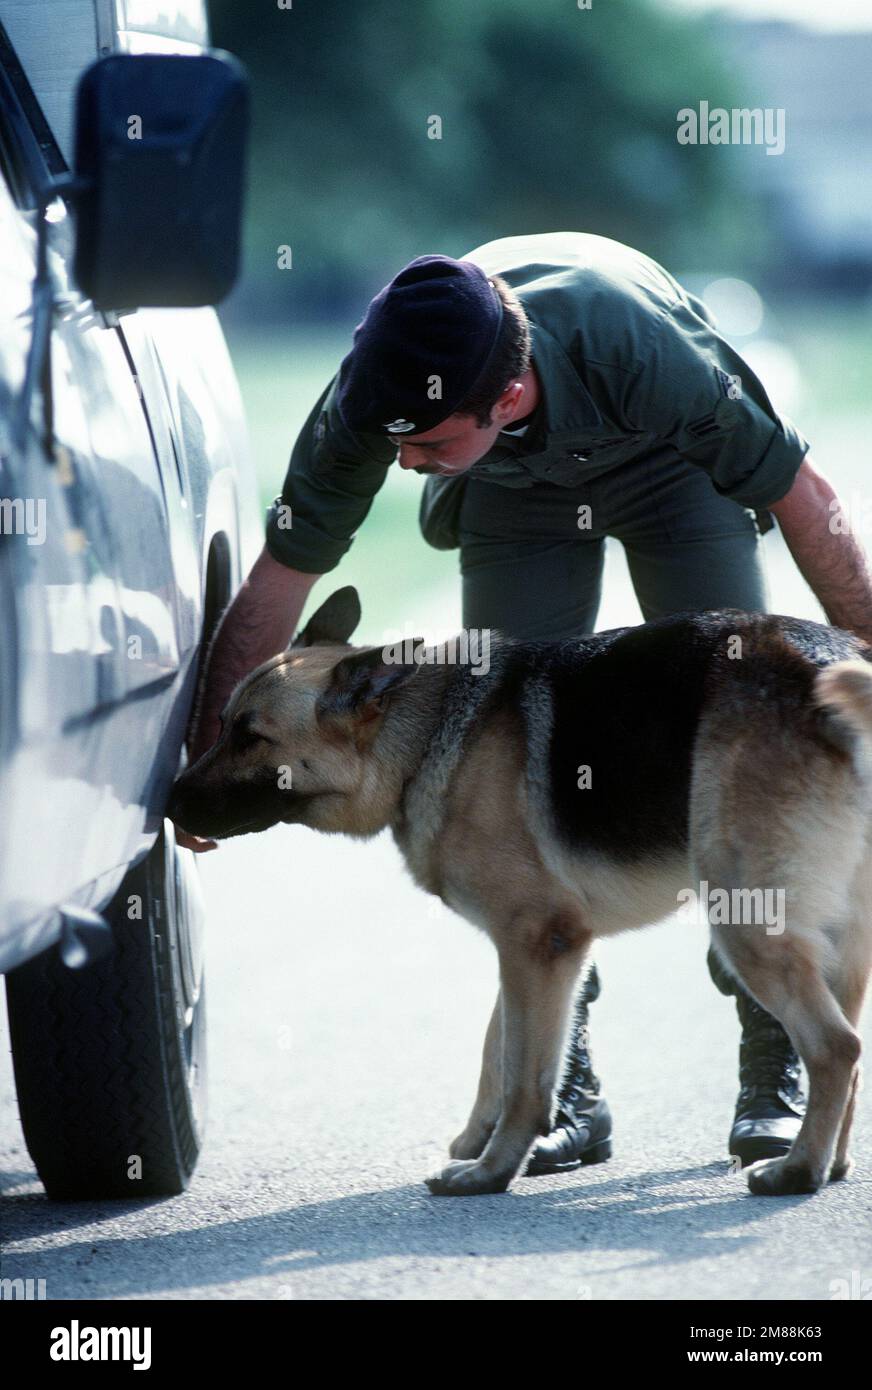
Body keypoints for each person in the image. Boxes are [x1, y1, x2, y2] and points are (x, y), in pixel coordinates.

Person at [179, 232, 872, 1173]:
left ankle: (776, 1068)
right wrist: (207, 759)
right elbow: (278, 586)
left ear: (506, 395)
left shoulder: (643, 352)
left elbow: (807, 502)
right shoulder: (370, 401)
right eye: (398, 448)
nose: (409, 466)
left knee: (744, 725)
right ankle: (562, 1092)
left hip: (673, 467)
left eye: (425, 447)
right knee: (497, 765)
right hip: (509, 485)